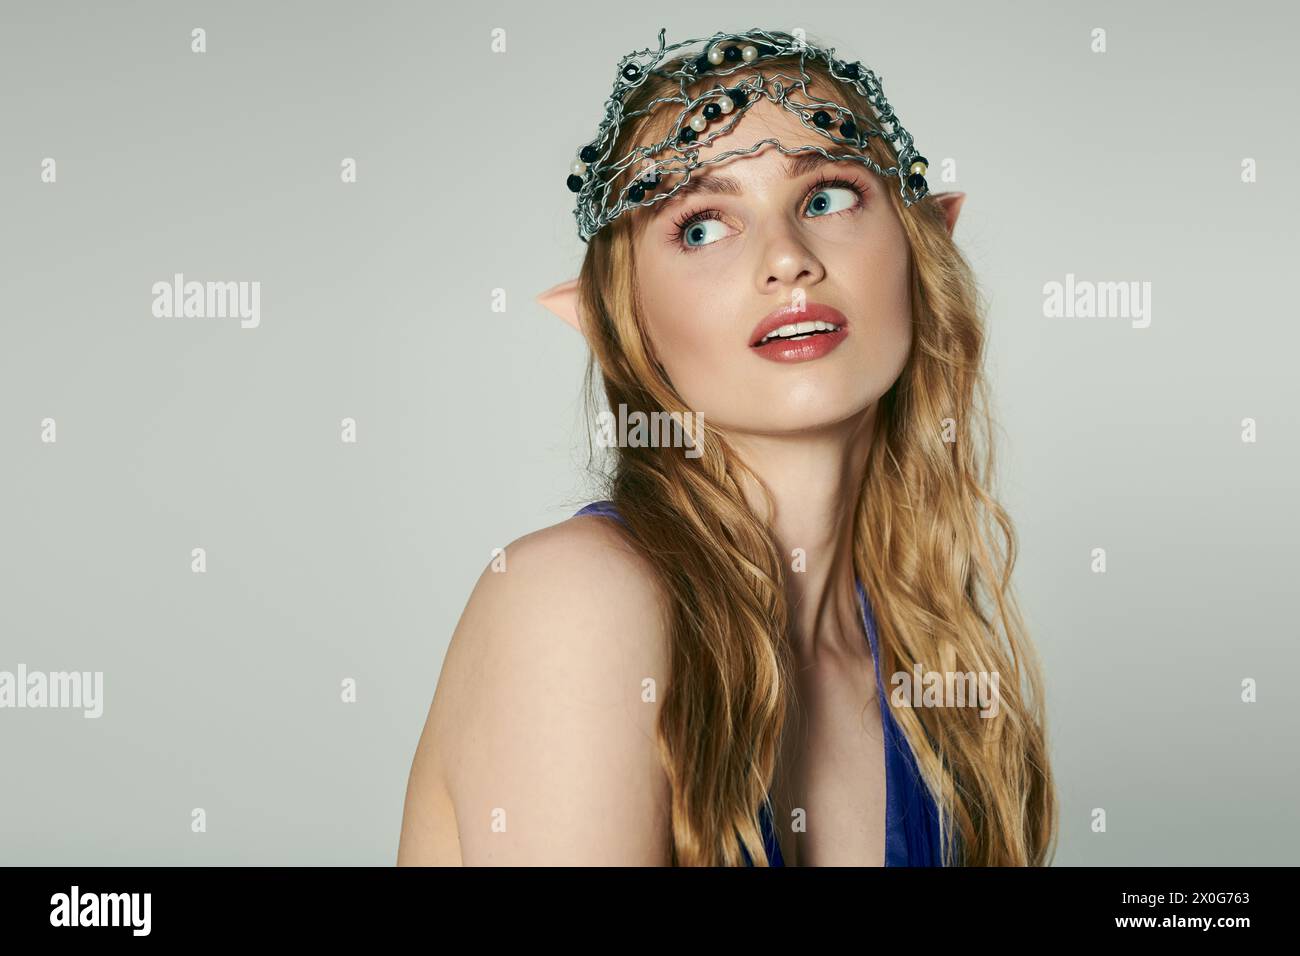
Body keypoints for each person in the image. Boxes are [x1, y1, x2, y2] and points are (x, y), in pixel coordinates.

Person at [398, 28, 1057, 866]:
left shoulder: (935, 678)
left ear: (926, 244)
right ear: (615, 320)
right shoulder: (573, 601)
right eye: (703, 226)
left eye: (827, 197)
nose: (786, 260)